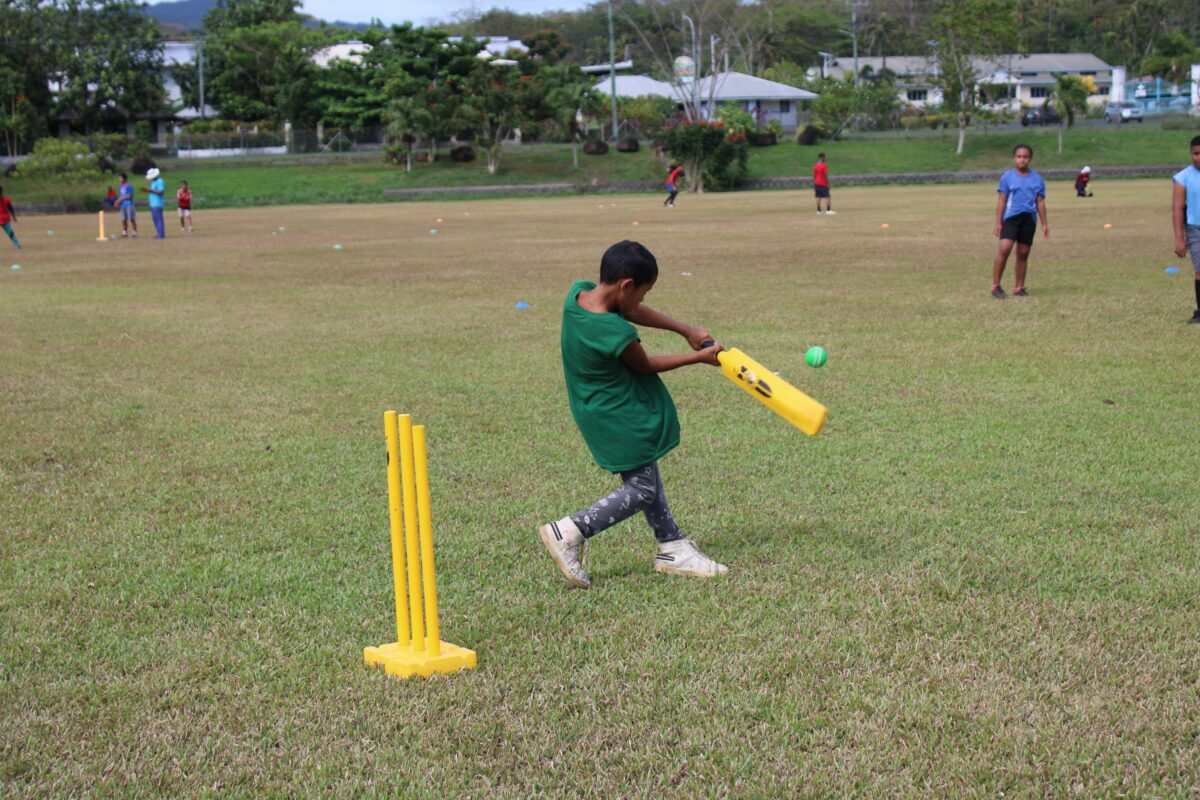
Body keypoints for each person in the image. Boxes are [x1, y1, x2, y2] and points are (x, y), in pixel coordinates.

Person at [538, 240, 729, 588]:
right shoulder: (613, 331)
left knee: (645, 475)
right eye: (643, 293)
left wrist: (685, 329)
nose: (642, 301)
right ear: (626, 285)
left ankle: (671, 546)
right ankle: (570, 530)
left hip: (594, 405)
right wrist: (699, 358)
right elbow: (644, 365)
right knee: (641, 488)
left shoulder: (580, 294)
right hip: (615, 412)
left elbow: (630, 309)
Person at [991, 144, 1048, 299]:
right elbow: (1002, 200)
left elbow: (1040, 202)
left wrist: (1044, 224)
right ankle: (996, 286)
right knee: (1005, 248)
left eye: (1025, 157)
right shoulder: (1007, 177)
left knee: (1023, 254)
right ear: (1014, 158)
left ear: (1030, 159)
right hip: (1011, 218)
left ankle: (1019, 288)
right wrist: (998, 222)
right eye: (1019, 156)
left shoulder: (1037, 179)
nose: (1022, 160)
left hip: (1028, 219)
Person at [1171, 135, 1200, 324]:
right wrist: (1179, 238)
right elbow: (1177, 209)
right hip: (1195, 229)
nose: (1199, 157)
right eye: (1195, 154)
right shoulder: (1183, 178)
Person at [144, 167, 166, 239]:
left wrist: (151, 190)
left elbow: (161, 192)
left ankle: (161, 234)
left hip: (158, 203)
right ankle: (158, 232)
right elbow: (153, 191)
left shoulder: (160, 181)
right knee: (155, 219)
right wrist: (148, 190)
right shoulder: (153, 182)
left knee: (159, 219)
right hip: (153, 203)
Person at [117, 173, 138, 238]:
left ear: (124, 178)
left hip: (129, 204)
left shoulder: (129, 186)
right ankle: (124, 232)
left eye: (120, 178)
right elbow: (121, 195)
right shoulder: (121, 186)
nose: (119, 179)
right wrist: (118, 201)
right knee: (123, 219)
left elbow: (130, 196)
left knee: (132, 218)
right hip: (123, 205)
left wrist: (121, 199)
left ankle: (134, 232)